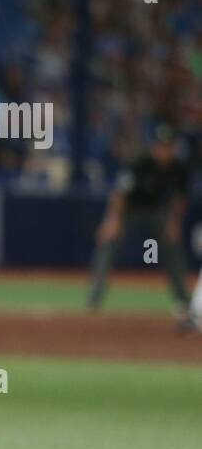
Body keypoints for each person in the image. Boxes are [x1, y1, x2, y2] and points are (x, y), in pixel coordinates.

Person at [87, 126, 193, 330]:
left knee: (172, 246)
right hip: (130, 211)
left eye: (169, 146)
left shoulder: (178, 167)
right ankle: (94, 299)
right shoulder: (139, 163)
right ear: (155, 146)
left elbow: (180, 199)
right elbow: (119, 194)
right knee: (108, 242)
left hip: (157, 212)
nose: (165, 151)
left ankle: (183, 300)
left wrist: (173, 223)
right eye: (162, 146)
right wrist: (112, 221)